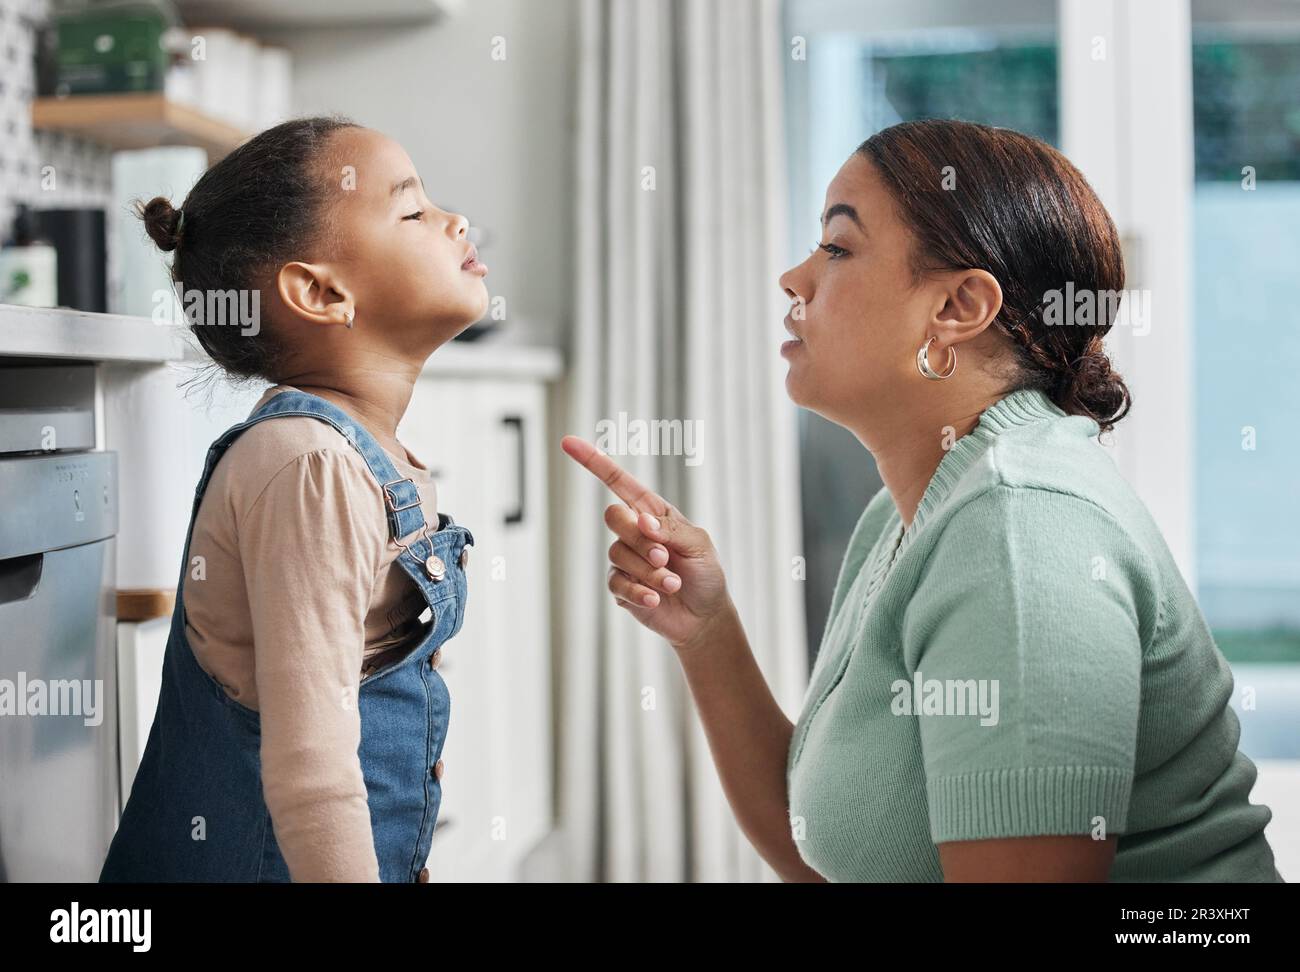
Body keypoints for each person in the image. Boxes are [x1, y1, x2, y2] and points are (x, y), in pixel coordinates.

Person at [563, 118, 1283, 882]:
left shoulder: (1019, 531)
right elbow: (832, 852)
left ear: (957, 307)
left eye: (837, 247)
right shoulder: (914, 511)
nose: (795, 278)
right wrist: (706, 633)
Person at [100, 116, 486, 882]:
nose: (455, 220)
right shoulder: (308, 468)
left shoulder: (359, 458)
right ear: (320, 292)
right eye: (412, 211)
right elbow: (313, 776)